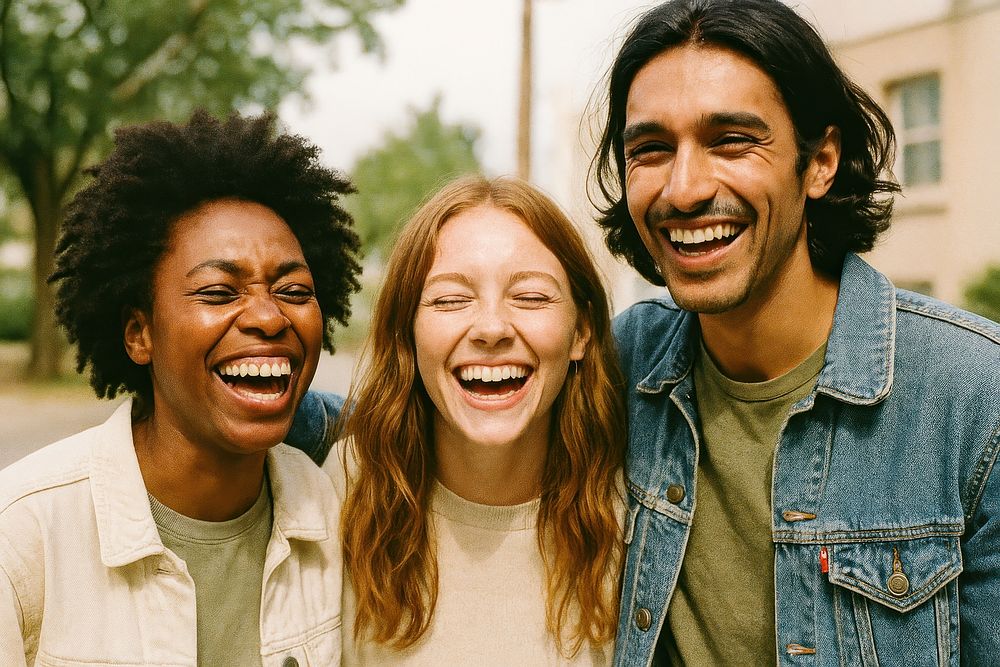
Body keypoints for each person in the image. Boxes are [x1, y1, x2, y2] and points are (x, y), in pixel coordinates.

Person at [588, 0, 1000, 664]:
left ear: (820, 162)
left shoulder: (975, 400)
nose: (685, 187)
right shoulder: (617, 369)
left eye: (731, 141)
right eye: (652, 149)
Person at [0, 110, 360, 666]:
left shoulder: (344, 517)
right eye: (219, 292)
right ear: (140, 333)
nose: (268, 316)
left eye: (293, 289)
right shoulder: (24, 535)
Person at [316, 175, 626, 664]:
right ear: (408, 332)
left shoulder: (638, 518)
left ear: (581, 331)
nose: (491, 328)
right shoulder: (343, 490)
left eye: (530, 297)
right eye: (450, 300)